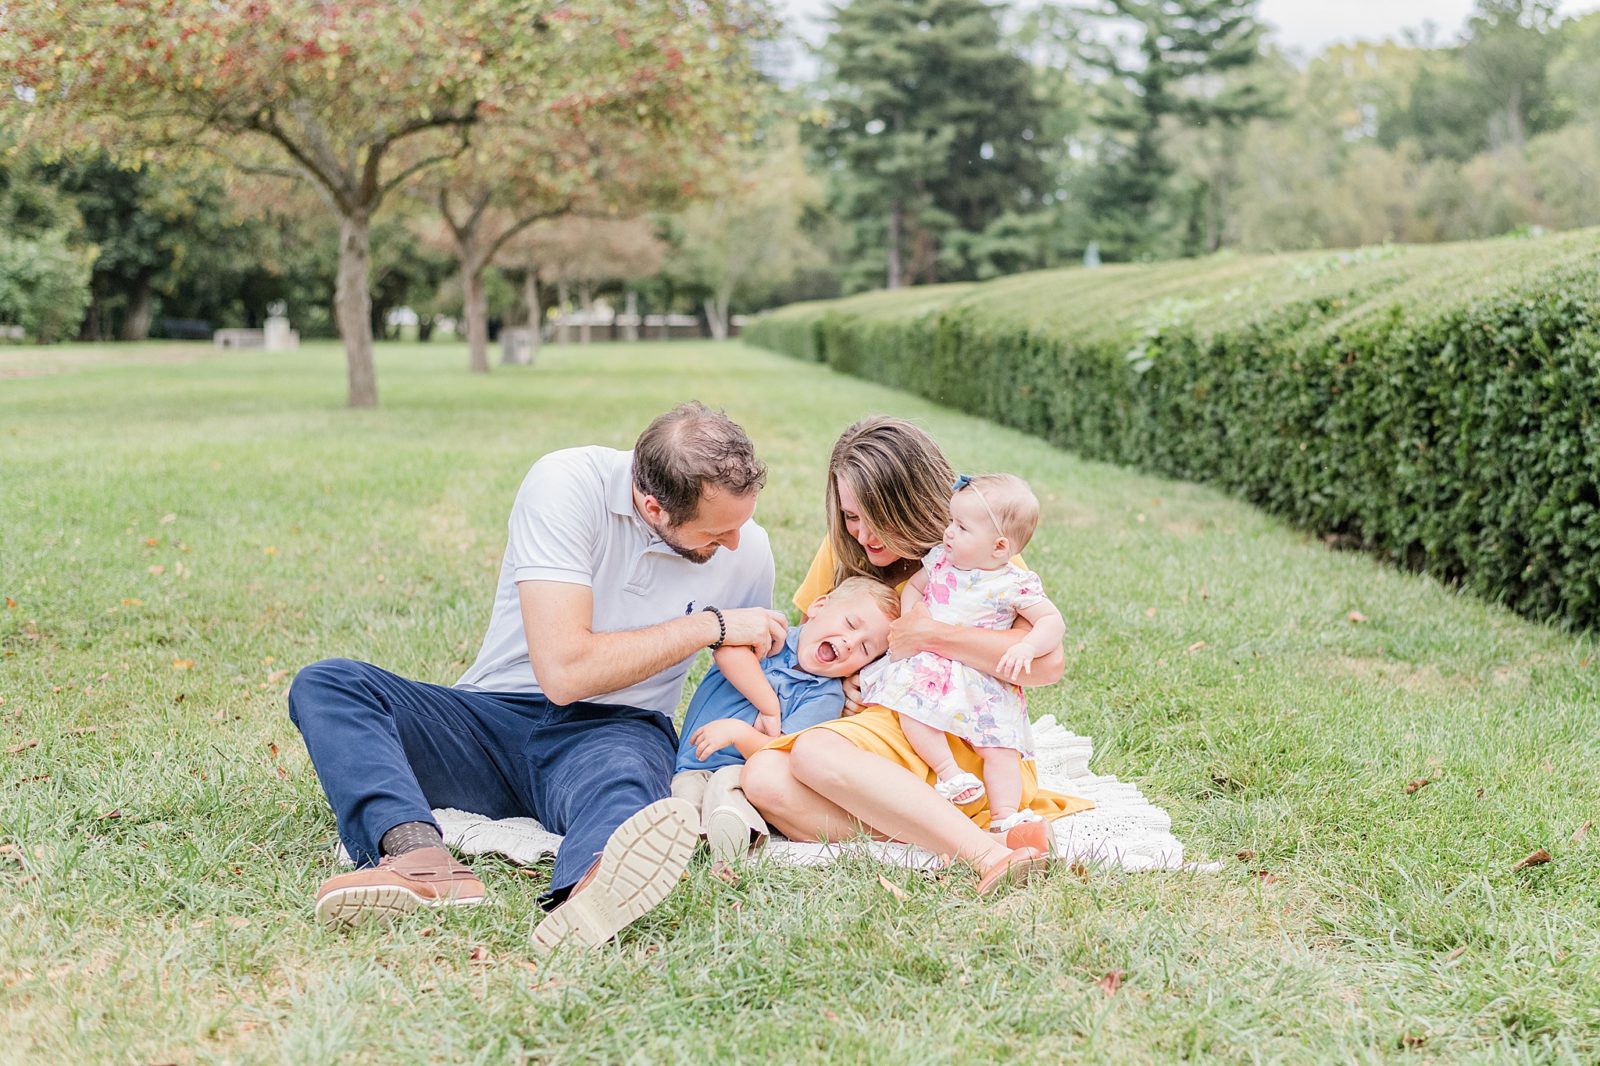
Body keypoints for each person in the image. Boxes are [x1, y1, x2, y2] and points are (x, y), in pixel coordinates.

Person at [288, 402, 788, 951]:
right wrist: (705, 626)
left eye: (742, 524)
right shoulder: (567, 485)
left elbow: (740, 669)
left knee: (626, 784)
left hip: (614, 730)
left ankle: (591, 894)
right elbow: (564, 673)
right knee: (330, 685)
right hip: (490, 718)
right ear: (653, 507)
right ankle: (417, 858)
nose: (737, 543)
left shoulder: (749, 549)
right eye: (717, 534)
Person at [740, 417, 1094, 894]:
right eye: (850, 516)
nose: (863, 533)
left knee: (812, 751)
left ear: (910, 502)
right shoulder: (843, 550)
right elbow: (810, 644)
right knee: (763, 776)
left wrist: (928, 635)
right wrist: (843, 676)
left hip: (963, 737)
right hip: (882, 732)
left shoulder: (978, 556)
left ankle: (988, 853)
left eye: (875, 515)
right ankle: (967, 838)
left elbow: (1047, 665)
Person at [876, 473, 1066, 831]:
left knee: (1000, 747)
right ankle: (950, 773)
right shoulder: (939, 562)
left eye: (961, 527)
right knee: (912, 710)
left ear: (999, 547)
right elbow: (913, 590)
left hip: (984, 679)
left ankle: (1004, 814)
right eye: (951, 521)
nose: (948, 531)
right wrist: (915, 618)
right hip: (934, 666)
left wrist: (1027, 645)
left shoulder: (1013, 583)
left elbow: (1052, 623)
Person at [670, 576, 899, 861]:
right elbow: (725, 650)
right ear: (818, 606)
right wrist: (768, 706)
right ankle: (678, 837)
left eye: (865, 649)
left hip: (741, 773)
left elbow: (777, 753)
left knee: (726, 791)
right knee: (684, 796)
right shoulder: (770, 635)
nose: (850, 642)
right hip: (692, 765)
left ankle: (731, 844)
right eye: (850, 624)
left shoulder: (825, 697)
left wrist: (738, 733)